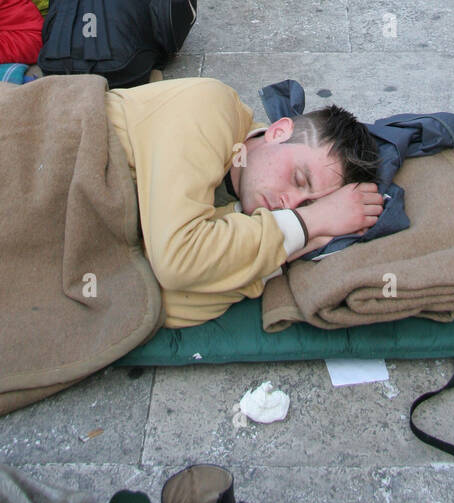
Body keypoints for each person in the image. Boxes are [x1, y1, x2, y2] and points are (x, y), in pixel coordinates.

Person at [106, 78, 382, 328]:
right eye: (298, 179)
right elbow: (177, 262)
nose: (290, 204)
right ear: (278, 131)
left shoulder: (244, 226)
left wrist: (279, 252)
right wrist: (310, 222)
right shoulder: (209, 107)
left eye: (308, 205)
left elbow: (149, 304)